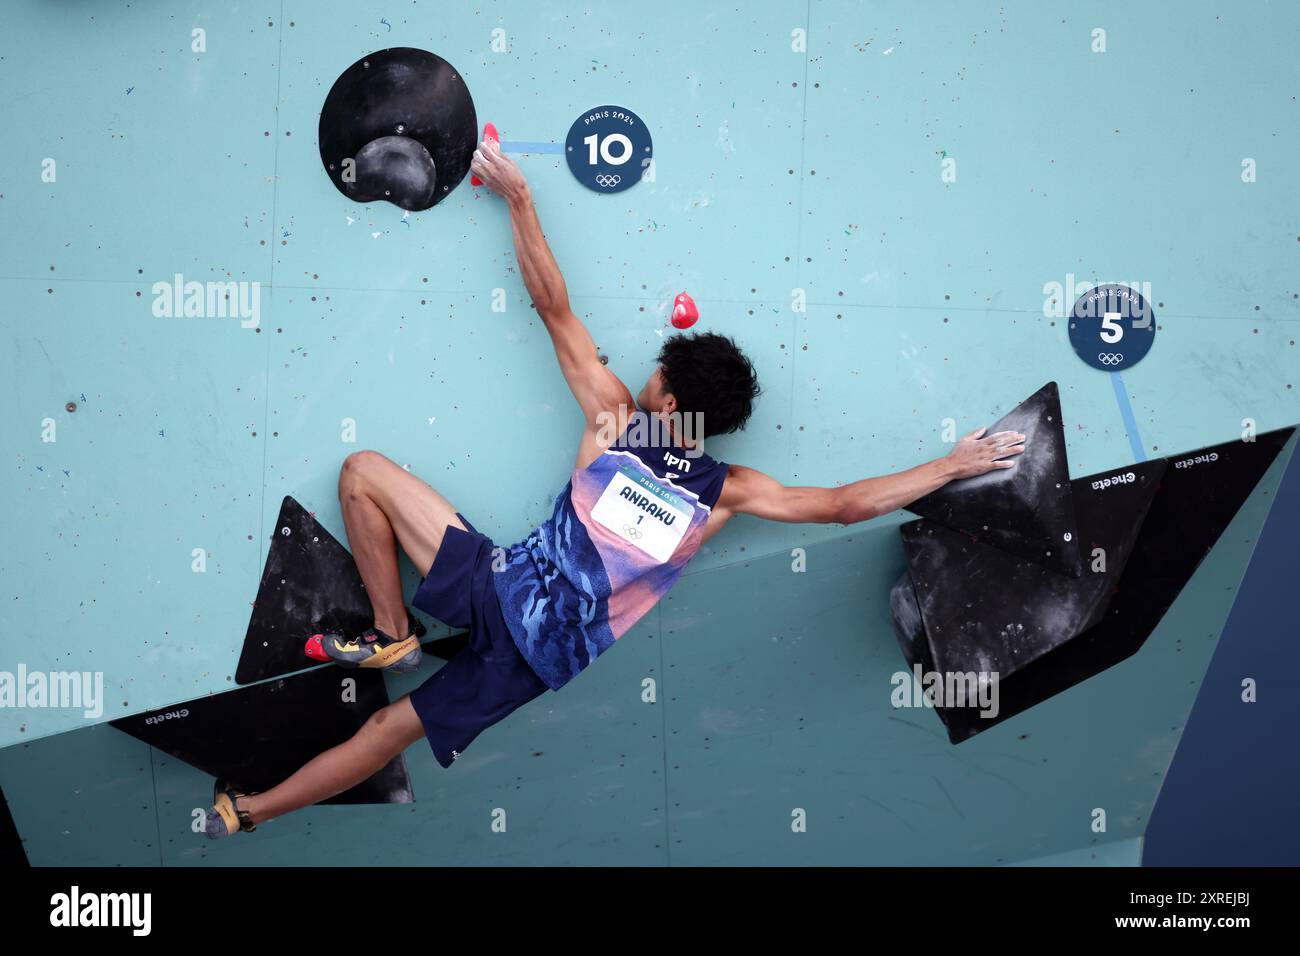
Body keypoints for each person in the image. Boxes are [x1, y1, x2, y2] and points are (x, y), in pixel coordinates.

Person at [206, 140, 1025, 838]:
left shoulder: (615, 420)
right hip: (540, 653)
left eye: (657, 369)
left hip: (503, 591)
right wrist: (950, 465)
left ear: (667, 399)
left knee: (361, 475)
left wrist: (520, 200)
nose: (646, 368)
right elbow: (846, 502)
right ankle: (256, 807)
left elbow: (552, 306)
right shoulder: (728, 490)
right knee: (389, 730)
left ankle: (391, 631)